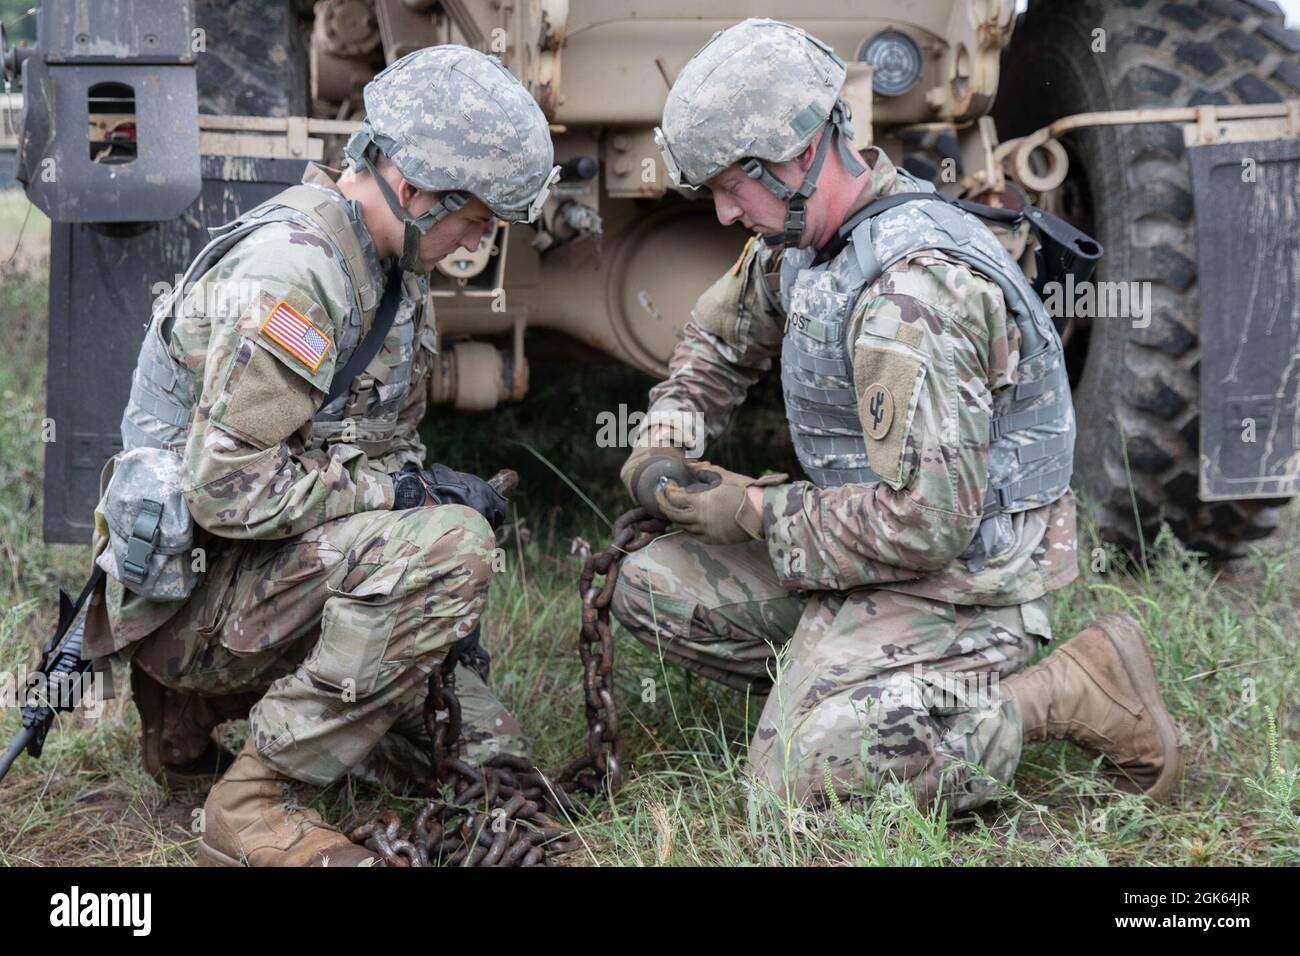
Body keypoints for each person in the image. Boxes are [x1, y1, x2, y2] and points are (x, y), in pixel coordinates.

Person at [613, 18, 1181, 815]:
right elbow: (719, 336)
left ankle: (1059, 691)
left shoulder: (911, 295)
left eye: (728, 187)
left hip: (961, 581)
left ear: (794, 155)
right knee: (647, 587)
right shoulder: (803, 238)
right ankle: (860, 678)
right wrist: (668, 434)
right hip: (869, 554)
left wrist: (749, 509)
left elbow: (929, 527)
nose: (722, 215)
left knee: (796, 792)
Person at [81, 45, 559, 866]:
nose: (475, 243)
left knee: (485, 754)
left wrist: (413, 504)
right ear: (413, 191)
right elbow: (224, 489)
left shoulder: (390, 267)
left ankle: (191, 725)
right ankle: (253, 797)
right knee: (450, 550)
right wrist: (400, 503)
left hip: (250, 577)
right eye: (475, 220)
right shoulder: (295, 276)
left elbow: (384, 441)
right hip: (187, 602)